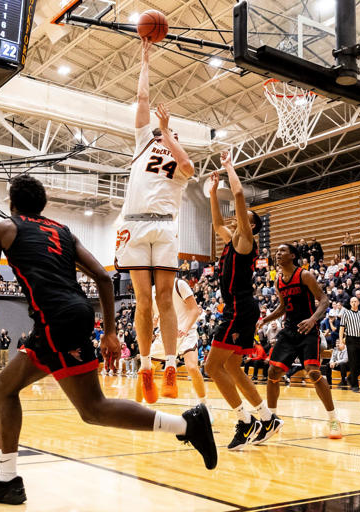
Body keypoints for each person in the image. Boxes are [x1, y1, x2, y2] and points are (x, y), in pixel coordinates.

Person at [0, 174, 216, 506]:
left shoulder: (4, 229)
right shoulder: (62, 231)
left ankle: (187, 425)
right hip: (68, 317)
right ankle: (7, 478)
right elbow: (102, 276)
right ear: (42, 205)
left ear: (12, 202)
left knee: (93, 409)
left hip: (57, 320)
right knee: (4, 386)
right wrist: (110, 332)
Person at [113, 39, 195, 405]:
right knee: (142, 301)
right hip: (133, 225)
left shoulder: (178, 159)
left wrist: (170, 132)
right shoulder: (144, 141)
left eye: (171, 134)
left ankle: (171, 366)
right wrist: (145, 61)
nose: (165, 133)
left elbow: (190, 168)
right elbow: (143, 101)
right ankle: (146, 366)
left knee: (165, 298)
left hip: (164, 227)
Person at [206, 151, 273, 450]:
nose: (237, 216)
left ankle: (245, 422)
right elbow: (217, 220)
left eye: (244, 216)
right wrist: (210, 192)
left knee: (211, 367)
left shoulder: (245, 239)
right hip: (240, 308)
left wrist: (229, 167)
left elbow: (237, 195)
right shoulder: (231, 240)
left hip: (239, 308)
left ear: (252, 225)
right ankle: (266, 417)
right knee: (232, 367)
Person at [259, 244, 342, 441]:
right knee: (272, 372)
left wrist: (313, 319)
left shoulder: (304, 275)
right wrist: (264, 320)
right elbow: (282, 308)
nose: (278, 254)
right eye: (277, 252)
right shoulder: (279, 280)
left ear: (293, 255)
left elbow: (324, 300)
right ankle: (271, 420)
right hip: (289, 331)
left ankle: (333, 419)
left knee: (313, 372)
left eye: (282, 251)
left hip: (308, 330)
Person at [148, 277, 208, 409]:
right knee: (147, 368)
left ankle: (205, 405)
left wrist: (185, 328)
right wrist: (154, 322)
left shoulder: (179, 284)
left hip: (186, 331)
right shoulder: (152, 291)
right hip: (166, 335)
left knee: (192, 367)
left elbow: (194, 310)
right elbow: (154, 320)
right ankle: (143, 402)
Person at [339, 296, 360, 393]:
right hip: (350, 339)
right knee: (353, 363)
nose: (353, 303)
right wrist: (341, 341)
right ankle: (355, 386)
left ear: (358, 303)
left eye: (355, 301)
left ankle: (351, 377)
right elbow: (341, 328)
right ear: (350, 303)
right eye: (352, 301)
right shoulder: (346, 313)